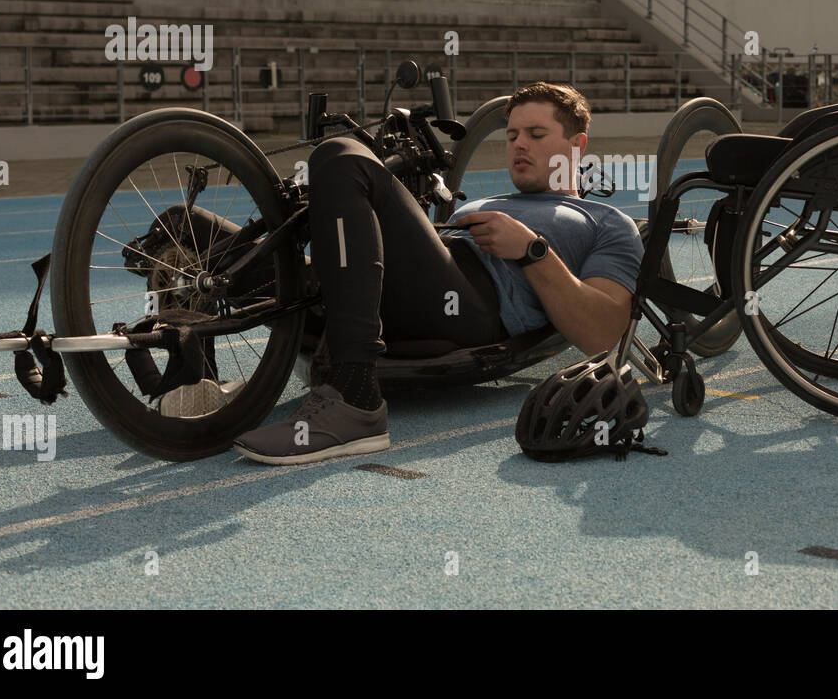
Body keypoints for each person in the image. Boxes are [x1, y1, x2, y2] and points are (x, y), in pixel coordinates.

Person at [233, 82, 644, 464]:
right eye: (513, 135)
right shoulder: (485, 199)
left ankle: (354, 401)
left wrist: (531, 250)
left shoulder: (606, 222)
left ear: (577, 145)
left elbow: (603, 331)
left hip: (470, 306)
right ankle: (196, 384)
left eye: (536, 135)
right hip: (380, 288)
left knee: (341, 156)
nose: (519, 144)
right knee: (187, 227)